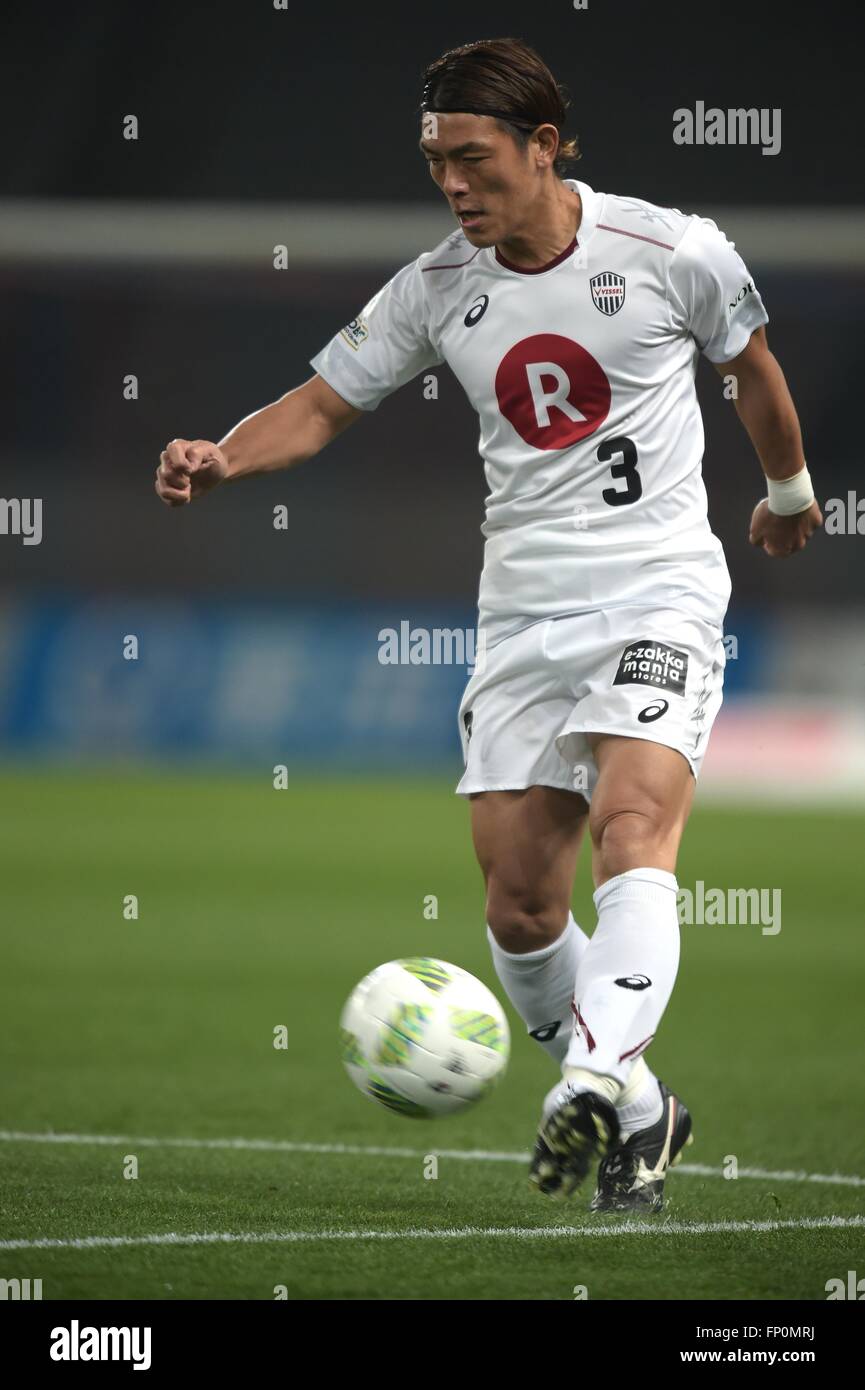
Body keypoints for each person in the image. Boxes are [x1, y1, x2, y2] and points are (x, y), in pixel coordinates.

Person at [155, 37, 822, 1212]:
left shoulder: (672, 249)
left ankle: (593, 1068)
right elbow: (318, 406)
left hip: (660, 587)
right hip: (522, 613)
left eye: (473, 158)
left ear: (543, 146)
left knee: (633, 824)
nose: (454, 184)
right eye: (435, 164)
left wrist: (784, 497)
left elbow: (751, 366)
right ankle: (641, 1102)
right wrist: (222, 458)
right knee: (519, 906)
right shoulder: (432, 289)